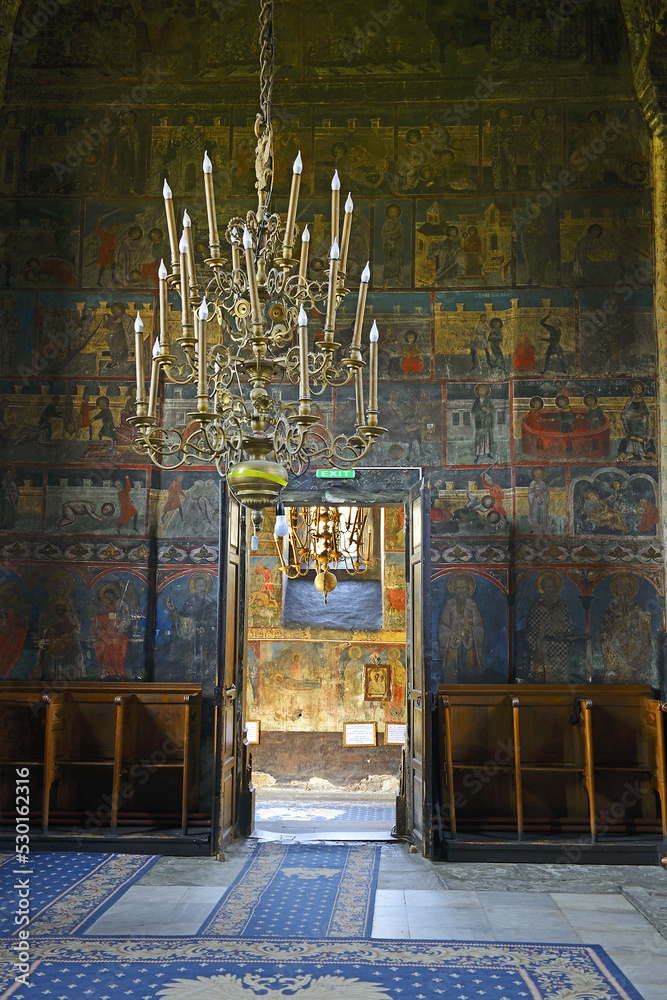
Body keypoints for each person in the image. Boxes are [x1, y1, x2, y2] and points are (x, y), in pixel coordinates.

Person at [600, 574, 654, 684]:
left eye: (626, 587)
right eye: (621, 587)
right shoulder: (612, 606)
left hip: (633, 639)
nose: (624, 590)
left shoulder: (636, 605)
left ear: (630, 589)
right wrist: (616, 628)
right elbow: (605, 626)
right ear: (617, 589)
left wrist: (633, 625)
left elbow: (642, 624)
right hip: (616, 638)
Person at [166, 573, 217, 684]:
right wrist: (173, 609)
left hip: (206, 639)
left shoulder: (211, 603)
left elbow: (216, 620)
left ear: (206, 587)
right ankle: (190, 682)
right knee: (190, 661)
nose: (200, 587)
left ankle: (206, 684)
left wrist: (206, 628)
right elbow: (183, 617)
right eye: (197, 585)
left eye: (202, 585)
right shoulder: (190, 602)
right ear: (194, 587)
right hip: (192, 639)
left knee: (206, 662)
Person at [525, 572, 573, 683]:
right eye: (546, 587)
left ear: (555, 587)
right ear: (542, 588)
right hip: (541, 638)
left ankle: (558, 680)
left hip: (558, 639)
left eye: (551, 587)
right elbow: (531, 622)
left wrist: (560, 629)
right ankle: (542, 679)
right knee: (542, 649)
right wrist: (542, 626)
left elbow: (566, 621)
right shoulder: (537, 603)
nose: (549, 590)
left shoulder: (560, 603)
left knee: (561, 649)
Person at [438, 573, 484, 682]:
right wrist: (451, 634)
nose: (461, 591)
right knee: (452, 675)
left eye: (463, 588)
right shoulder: (449, 604)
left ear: (468, 588)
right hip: (453, 644)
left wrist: (471, 630)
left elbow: (480, 626)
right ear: (454, 589)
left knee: (470, 674)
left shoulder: (472, 604)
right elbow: (442, 626)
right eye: (458, 588)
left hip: (469, 645)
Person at [472, 384, 495, 463]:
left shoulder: (489, 401)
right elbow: (474, 411)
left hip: (487, 423)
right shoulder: (476, 402)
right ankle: (478, 455)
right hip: (479, 423)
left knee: (487, 438)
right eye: (480, 390)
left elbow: (492, 411)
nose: (482, 392)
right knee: (479, 438)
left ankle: (488, 453)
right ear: (478, 392)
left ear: (486, 392)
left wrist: (488, 410)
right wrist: (481, 410)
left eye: (483, 390)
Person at [528, 467, 550, 532]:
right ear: (534, 475)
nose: (538, 475)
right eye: (537, 474)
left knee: (543, 515)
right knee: (534, 514)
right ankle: (534, 528)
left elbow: (546, 493)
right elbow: (530, 493)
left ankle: (543, 529)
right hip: (535, 502)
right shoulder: (532, 483)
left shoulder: (543, 484)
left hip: (543, 502)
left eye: (540, 474)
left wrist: (543, 495)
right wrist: (534, 493)